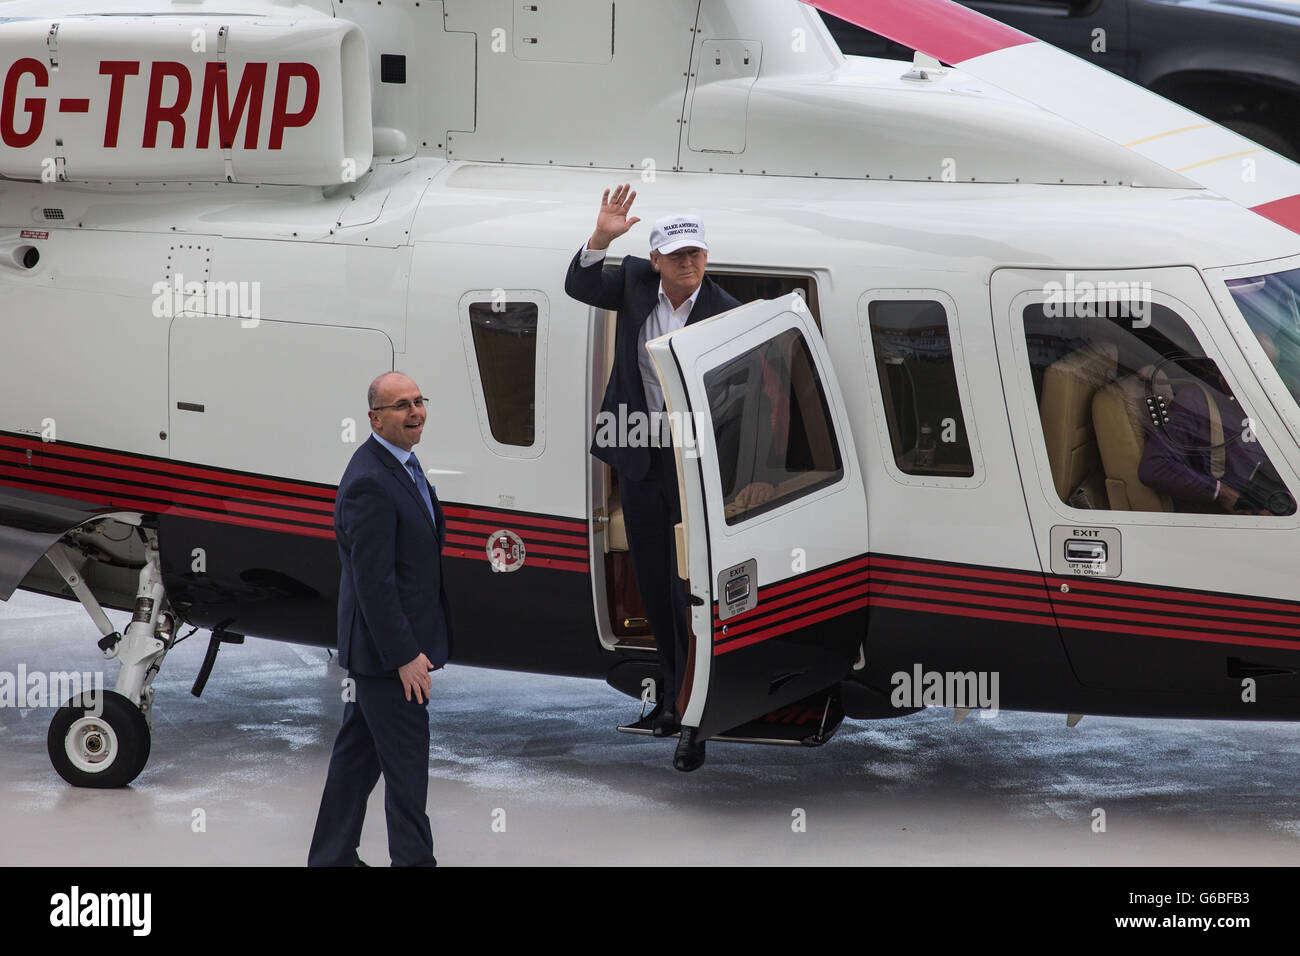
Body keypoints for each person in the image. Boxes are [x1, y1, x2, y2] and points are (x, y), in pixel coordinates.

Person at [565, 185, 739, 772]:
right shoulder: (636, 284)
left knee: (683, 587)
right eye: (677, 255)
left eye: (697, 253)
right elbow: (580, 285)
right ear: (656, 261)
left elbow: (746, 403)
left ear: (705, 259)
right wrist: (601, 238)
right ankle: (669, 696)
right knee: (651, 578)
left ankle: (696, 714)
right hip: (639, 453)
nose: (689, 263)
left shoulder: (727, 310)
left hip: (696, 462)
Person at [308, 371, 454, 866]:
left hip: (384, 653)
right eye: (400, 406)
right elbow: (374, 584)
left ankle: (330, 859)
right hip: (388, 657)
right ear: (374, 418)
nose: (415, 412)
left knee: (355, 761)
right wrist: (405, 657)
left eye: (418, 401)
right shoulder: (371, 480)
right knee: (408, 771)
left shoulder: (401, 465)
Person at [1137, 370, 1289, 515]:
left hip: (1270, 502)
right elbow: (1155, 466)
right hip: (1215, 518)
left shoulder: (1262, 406)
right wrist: (1221, 492)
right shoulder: (1195, 401)